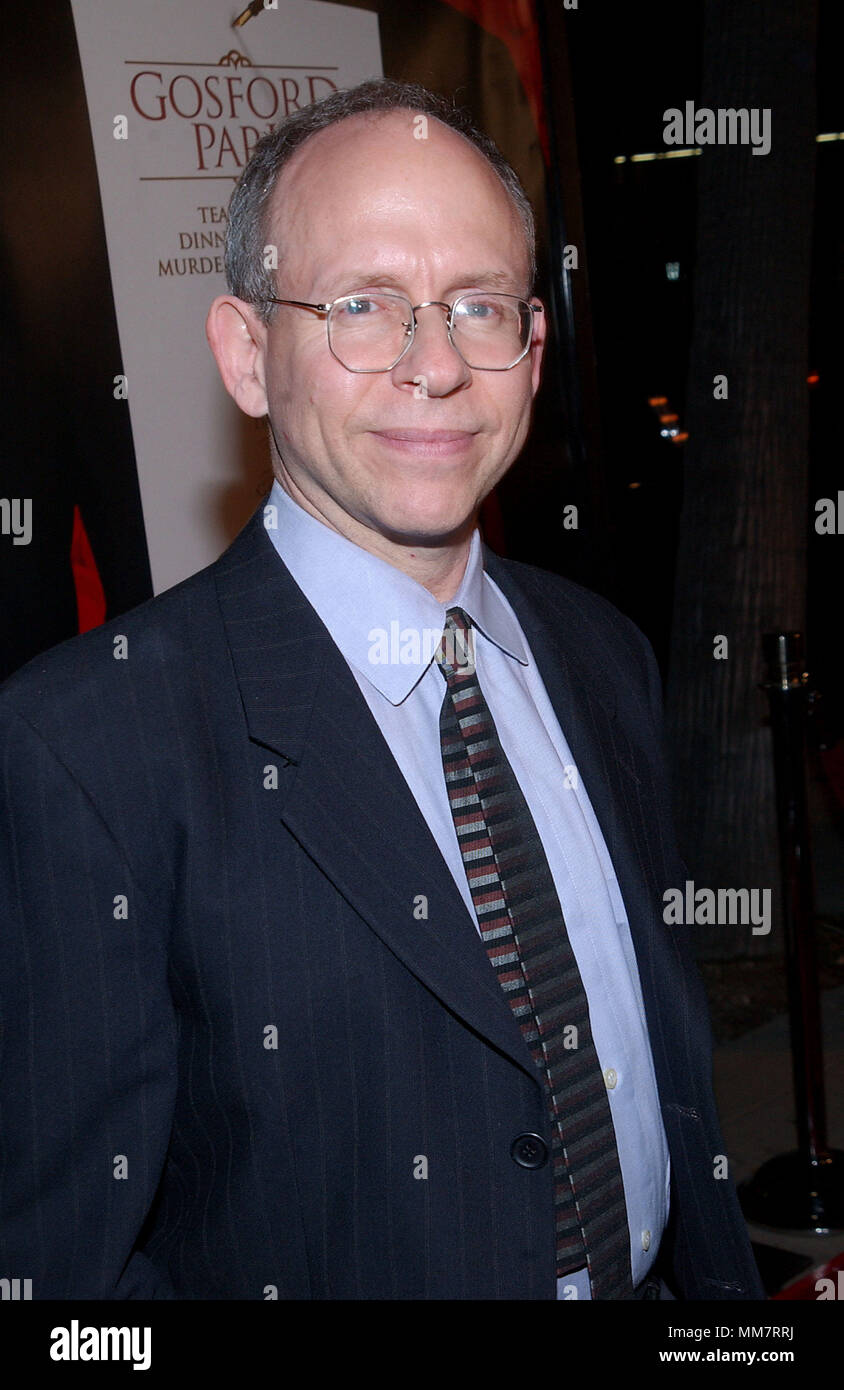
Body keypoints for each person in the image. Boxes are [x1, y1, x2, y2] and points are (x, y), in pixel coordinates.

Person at [0, 78, 764, 1300]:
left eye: (478, 305)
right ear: (248, 355)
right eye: (364, 305)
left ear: (531, 345)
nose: (435, 365)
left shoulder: (602, 653)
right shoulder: (88, 745)